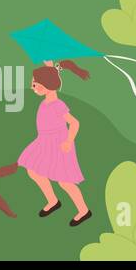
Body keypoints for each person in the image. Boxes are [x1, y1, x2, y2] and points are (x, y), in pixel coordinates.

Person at [19, 61, 93, 227]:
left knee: (65, 181)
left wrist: (68, 141)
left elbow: (75, 123)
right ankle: (53, 200)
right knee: (33, 171)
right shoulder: (45, 102)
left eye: (35, 84)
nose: (32, 87)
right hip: (43, 142)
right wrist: (50, 66)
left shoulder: (57, 105)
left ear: (47, 85)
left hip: (59, 144)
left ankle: (83, 210)